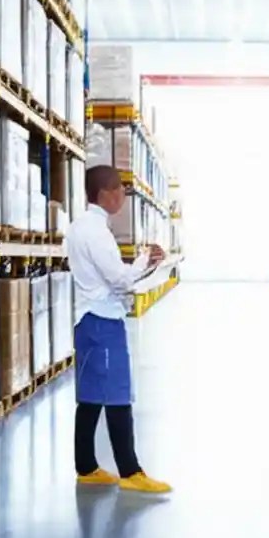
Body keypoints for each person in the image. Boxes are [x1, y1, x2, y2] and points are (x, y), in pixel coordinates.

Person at [66, 165, 171, 494]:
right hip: (102, 321)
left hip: (89, 319)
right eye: (120, 190)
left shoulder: (79, 227)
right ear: (105, 194)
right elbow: (119, 278)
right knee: (117, 395)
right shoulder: (96, 232)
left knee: (91, 396)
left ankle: (86, 467)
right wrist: (146, 262)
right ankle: (130, 471)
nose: (124, 196)